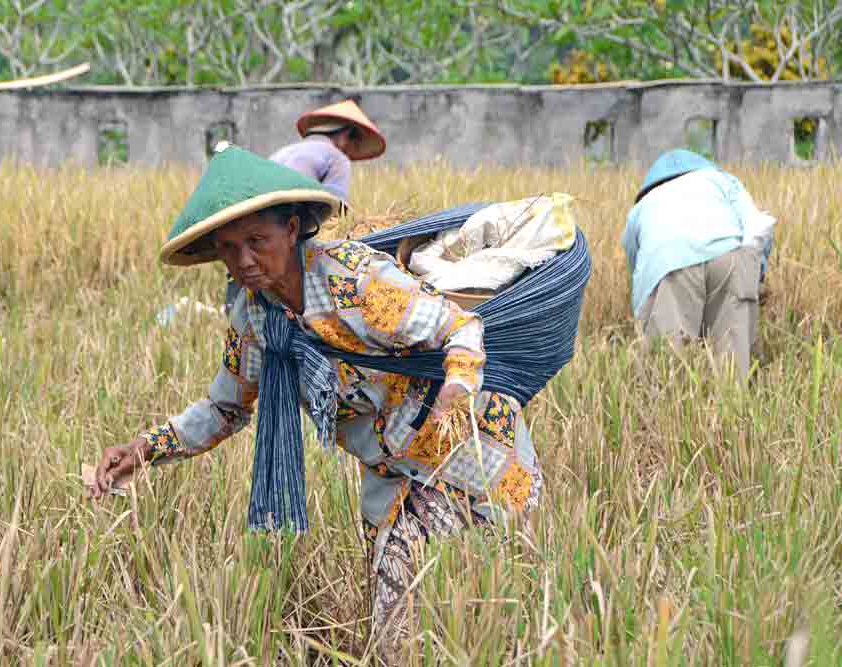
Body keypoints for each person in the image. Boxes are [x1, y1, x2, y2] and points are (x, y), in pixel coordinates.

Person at [93, 143, 540, 663]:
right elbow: (224, 409)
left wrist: (455, 390)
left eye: (257, 241)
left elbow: (459, 328)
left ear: (292, 228)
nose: (244, 261)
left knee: (494, 615)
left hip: (472, 455)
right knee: (397, 638)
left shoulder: (356, 281)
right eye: (229, 248)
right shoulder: (255, 319)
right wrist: (144, 449)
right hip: (393, 479)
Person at [219, 99, 387, 312]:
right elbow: (337, 211)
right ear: (346, 136)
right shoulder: (336, 157)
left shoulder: (285, 151)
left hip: (260, 224)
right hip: (287, 234)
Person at [622, 149, 775, 379]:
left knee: (667, 361)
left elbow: (637, 263)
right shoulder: (722, 180)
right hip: (729, 257)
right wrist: (756, 276)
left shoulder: (642, 206)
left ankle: (667, 401)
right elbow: (759, 226)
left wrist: (643, 309)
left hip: (669, 264)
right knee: (732, 361)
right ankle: (732, 398)